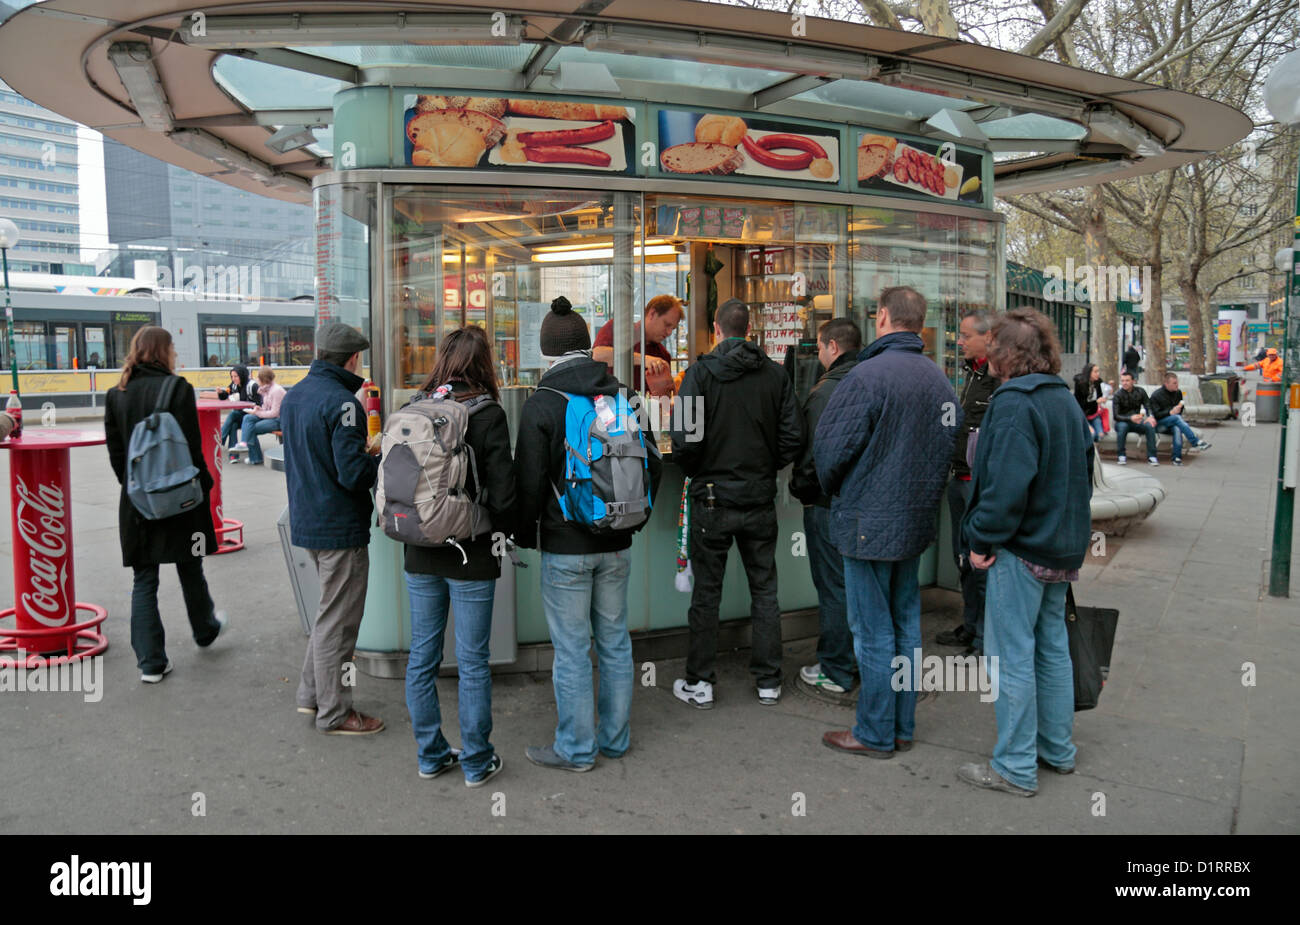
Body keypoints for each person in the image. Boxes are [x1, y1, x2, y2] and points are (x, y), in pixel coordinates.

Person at [514, 296, 663, 771]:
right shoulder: (620, 396)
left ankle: (577, 749)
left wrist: (522, 535)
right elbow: (653, 464)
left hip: (566, 548)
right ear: (585, 345)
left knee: (573, 650)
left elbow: (530, 482)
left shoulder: (543, 403)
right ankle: (615, 740)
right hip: (617, 542)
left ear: (546, 350)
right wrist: (633, 517)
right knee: (615, 642)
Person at [814, 286, 959, 758]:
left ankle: (874, 731)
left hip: (867, 521)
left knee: (873, 631)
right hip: (913, 522)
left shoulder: (866, 377)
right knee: (904, 627)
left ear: (882, 318)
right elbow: (947, 451)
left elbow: (830, 453)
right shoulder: (938, 380)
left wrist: (843, 489)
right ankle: (900, 725)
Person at [958, 308, 1093, 797]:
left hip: (1021, 548)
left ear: (1004, 355)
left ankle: (1015, 766)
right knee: (1051, 647)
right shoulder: (1063, 400)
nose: (986, 355)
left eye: (992, 347)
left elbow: (1004, 489)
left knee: (1010, 656)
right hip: (1061, 546)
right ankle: (1057, 750)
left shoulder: (1015, 402)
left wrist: (980, 542)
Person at [669, 298, 801, 709]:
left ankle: (701, 682)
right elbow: (793, 438)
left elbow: (684, 441)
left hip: (711, 499)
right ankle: (768, 682)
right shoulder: (776, 376)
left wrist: (704, 467)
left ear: (716, 328)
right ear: (750, 328)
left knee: (707, 593)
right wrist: (765, 467)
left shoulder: (699, 374)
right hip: (759, 497)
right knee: (765, 589)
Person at [401, 326, 514, 787]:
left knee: (422, 658)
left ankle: (430, 755)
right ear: (484, 362)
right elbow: (504, 494)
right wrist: (510, 530)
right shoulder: (487, 413)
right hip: (470, 553)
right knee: (471, 662)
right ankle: (476, 761)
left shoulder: (413, 408)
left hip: (420, 549)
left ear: (442, 359)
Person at [104, 326, 226, 683]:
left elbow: (116, 454)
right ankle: (205, 629)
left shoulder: (116, 394)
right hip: (180, 496)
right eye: (172, 348)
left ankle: (151, 663)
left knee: (145, 579)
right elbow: (190, 447)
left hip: (137, 503)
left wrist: (137, 490)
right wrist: (204, 484)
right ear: (164, 352)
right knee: (190, 566)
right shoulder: (178, 388)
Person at [280, 322, 384, 735]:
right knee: (339, 625)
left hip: (307, 520)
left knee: (327, 616)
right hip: (338, 526)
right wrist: (378, 457)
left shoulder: (295, 396)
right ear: (352, 358)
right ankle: (336, 713)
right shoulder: (344, 403)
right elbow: (352, 474)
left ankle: (311, 696)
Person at [790, 318, 861, 695]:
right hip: (862, 504)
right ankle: (856, 658)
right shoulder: (871, 383)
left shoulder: (824, 392)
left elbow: (812, 458)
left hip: (827, 503)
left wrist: (801, 489)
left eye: (819, 346)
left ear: (833, 346)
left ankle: (835, 667)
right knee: (855, 585)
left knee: (833, 586)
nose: (817, 354)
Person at [937, 309, 999, 658]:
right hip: (960, 480)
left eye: (965, 335)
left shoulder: (998, 379)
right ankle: (972, 625)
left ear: (987, 338)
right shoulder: (972, 374)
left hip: (978, 485)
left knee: (981, 562)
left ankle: (983, 638)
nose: (959, 342)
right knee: (964, 559)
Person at [592, 294, 682, 394]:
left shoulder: (663, 355)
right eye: (667, 324)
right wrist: (644, 359)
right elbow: (597, 355)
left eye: (672, 329)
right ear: (652, 314)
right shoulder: (617, 328)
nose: (669, 332)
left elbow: (663, 398)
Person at [1150, 372, 1212, 465]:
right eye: (1174, 383)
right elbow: (1155, 415)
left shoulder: (1178, 393)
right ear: (1166, 384)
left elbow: (1181, 409)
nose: (1177, 385)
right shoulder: (1157, 395)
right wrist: (1170, 412)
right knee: (1176, 418)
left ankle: (1177, 458)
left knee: (1177, 428)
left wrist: (1179, 409)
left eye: (1177, 382)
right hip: (1159, 424)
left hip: (1174, 422)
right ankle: (1195, 442)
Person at [236, 366, 285, 466]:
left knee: (251, 428)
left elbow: (275, 413)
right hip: (270, 416)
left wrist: (258, 413)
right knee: (247, 418)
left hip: (279, 420)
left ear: (263, 379)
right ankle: (244, 443)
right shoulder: (265, 389)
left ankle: (255, 457)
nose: (256, 379)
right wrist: (259, 409)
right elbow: (267, 408)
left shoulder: (276, 391)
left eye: (258, 377)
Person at [1113, 372, 1159, 466]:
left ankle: (1152, 456)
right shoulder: (1118, 394)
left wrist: (1150, 416)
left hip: (1137, 421)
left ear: (1133, 381)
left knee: (1149, 426)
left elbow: (1148, 405)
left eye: (1127, 380)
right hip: (1122, 421)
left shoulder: (1140, 391)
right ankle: (1121, 455)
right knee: (1122, 427)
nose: (1124, 383)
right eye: (1122, 381)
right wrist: (1130, 418)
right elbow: (1116, 416)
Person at [218, 364, 259, 458]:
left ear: (242, 375)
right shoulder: (234, 385)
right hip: (242, 415)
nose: (233, 379)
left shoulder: (252, 386)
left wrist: (249, 407)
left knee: (233, 415)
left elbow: (260, 403)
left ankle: (220, 439)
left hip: (253, 415)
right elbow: (225, 395)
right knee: (233, 424)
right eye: (232, 376)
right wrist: (221, 393)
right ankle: (233, 456)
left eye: (236, 376)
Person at [1073, 363, 1104, 443]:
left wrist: (1102, 398)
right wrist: (1096, 402)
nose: (1098, 374)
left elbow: (1100, 396)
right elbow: (1081, 404)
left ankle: (1094, 452)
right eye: (1095, 372)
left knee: (1100, 435)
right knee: (1091, 434)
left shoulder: (1097, 383)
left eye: (1098, 371)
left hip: (1094, 413)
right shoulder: (1081, 384)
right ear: (1089, 372)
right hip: (1082, 414)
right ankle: (1087, 453)